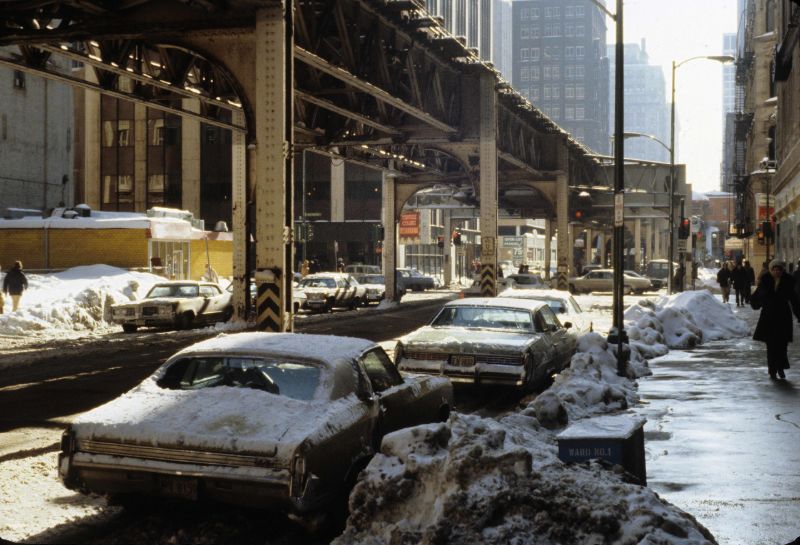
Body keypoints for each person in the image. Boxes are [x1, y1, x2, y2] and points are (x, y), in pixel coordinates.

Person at [751, 259, 800, 379]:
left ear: (782, 270)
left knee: (782, 345)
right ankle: (772, 369)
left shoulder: (788, 281)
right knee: (771, 345)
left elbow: (794, 300)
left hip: (783, 317)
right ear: (771, 270)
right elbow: (757, 296)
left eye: (779, 269)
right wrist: (756, 303)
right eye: (774, 269)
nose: (777, 271)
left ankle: (781, 367)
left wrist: (799, 314)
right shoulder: (765, 280)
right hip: (769, 317)